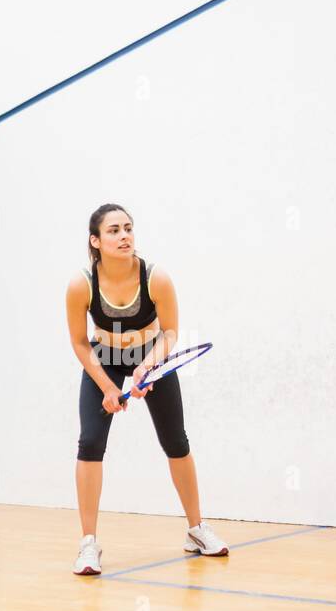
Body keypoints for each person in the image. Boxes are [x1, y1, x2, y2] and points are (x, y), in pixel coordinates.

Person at [64, 203, 229, 576]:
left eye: (128, 228)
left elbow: (170, 331)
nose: (124, 236)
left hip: (150, 355)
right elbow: (79, 343)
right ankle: (89, 543)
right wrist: (107, 386)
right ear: (96, 240)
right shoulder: (81, 284)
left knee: (176, 441)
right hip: (102, 359)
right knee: (90, 444)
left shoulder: (156, 278)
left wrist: (148, 364)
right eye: (114, 231)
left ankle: (196, 529)